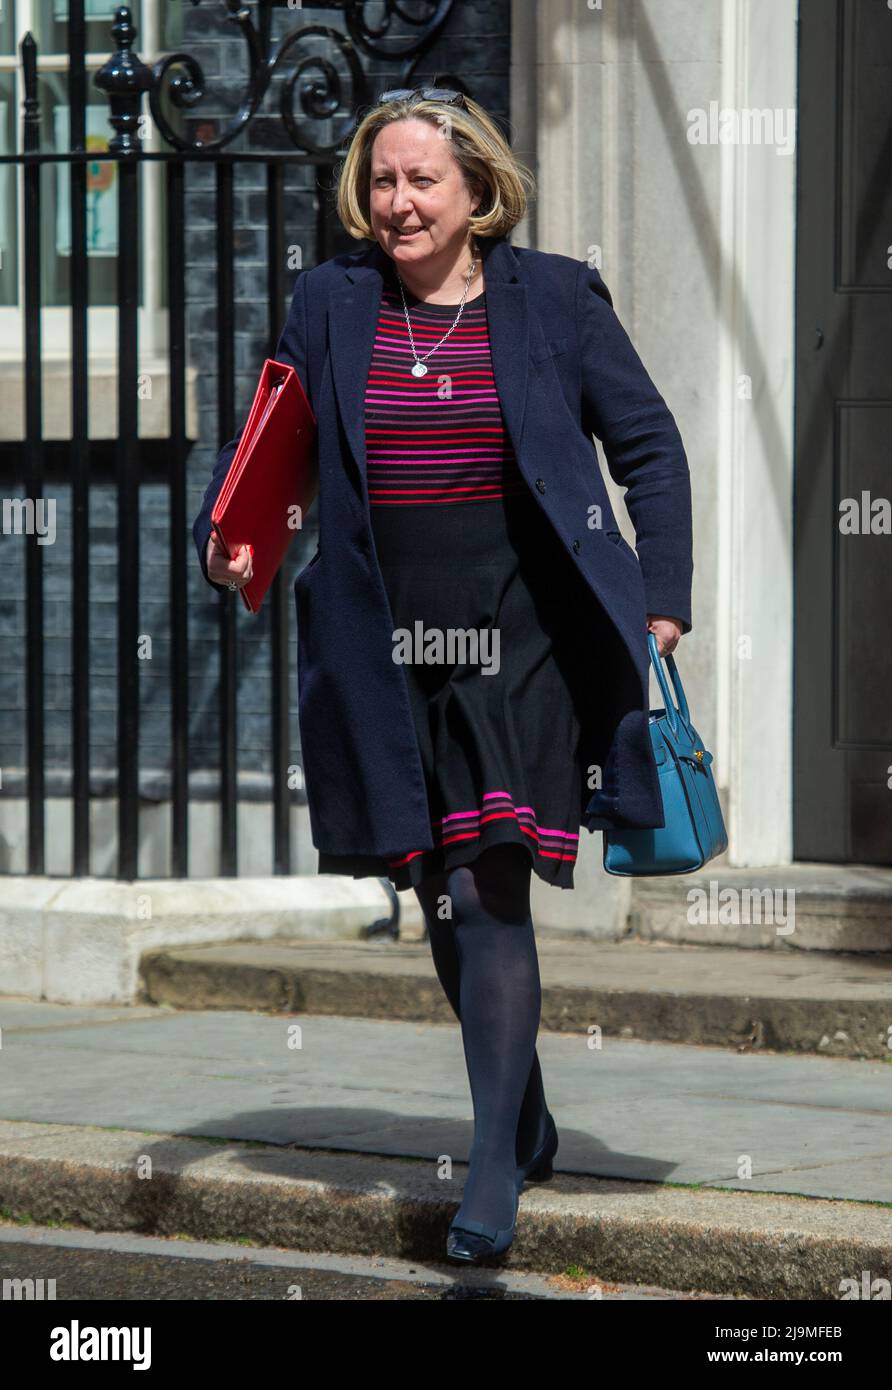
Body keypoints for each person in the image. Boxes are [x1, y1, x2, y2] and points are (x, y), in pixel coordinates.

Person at [193, 87, 692, 1265]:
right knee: (431, 881)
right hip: (385, 629)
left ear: (479, 190)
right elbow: (273, 436)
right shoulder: (331, 301)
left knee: (489, 883)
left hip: (522, 624)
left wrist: (661, 595)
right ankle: (519, 1107)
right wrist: (236, 531)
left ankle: (486, 1176)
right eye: (381, 181)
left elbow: (649, 443)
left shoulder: (555, 298)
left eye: (421, 180)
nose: (398, 202)